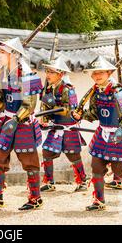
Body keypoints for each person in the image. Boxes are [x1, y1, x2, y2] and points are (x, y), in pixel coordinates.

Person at [0, 37, 44, 211]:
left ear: (14, 54)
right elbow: (0, 99)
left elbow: (29, 105)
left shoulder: (28, 75)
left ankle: (35, 198)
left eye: (2, 52)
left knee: (29, 162)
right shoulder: (2, 73)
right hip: (6, 120)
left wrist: (15, 120)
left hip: (23, 123)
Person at [72, 56, 122, 211]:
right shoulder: (95, 92)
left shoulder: (120, 91)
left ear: (109, 73)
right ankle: (99, 201)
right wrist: (81, 115)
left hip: (118, 133)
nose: (97, 75)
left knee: (119, 169)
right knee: (96, 167)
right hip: (102, 133)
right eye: (94, 73)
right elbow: (94, 114)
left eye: (101, 72)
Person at [38, 56, 88, 192]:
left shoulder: (68, 89)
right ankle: (49, 182)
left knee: (73, 155)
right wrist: (45, 118)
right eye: (47, 71)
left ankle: (83, 181)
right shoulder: (48, 89)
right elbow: (47, 110)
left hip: (68, 128)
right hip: (55, 127)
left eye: (51, 72)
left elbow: (70, 110)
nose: (48, 75)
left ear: (60, 74)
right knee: (47, 152)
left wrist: (53, 105)